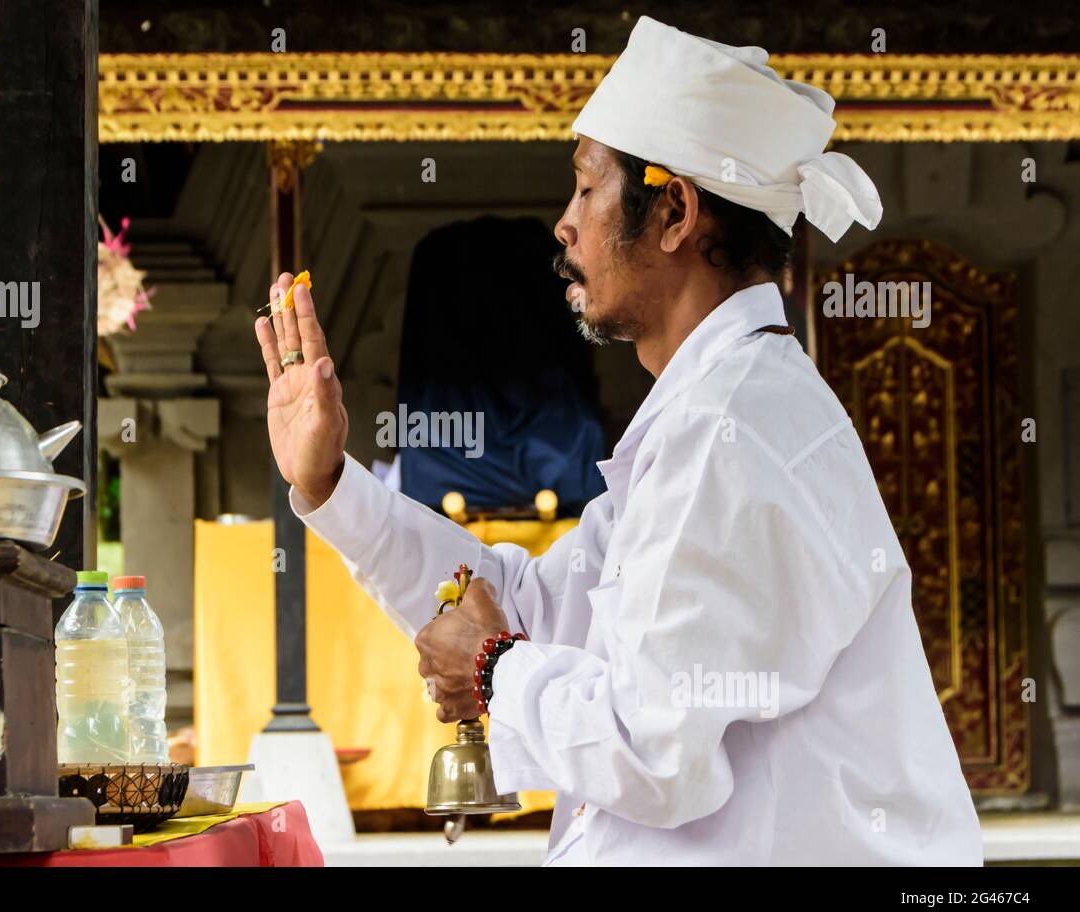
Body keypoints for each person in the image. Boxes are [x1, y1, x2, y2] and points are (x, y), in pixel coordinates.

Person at [252, 15, 982, 865]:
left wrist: (492, 668)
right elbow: (535, 609)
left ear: (674, 212)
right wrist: (332, 481)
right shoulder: (705, 413)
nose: (562, 226)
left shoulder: (731, 431)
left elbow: (651, 748)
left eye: (587, 191)